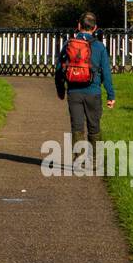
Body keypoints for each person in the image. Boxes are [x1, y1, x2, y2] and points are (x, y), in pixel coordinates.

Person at [55, 12, 115, 167]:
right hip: (93, 92)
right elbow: (106, 73)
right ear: (95, 28)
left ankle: (79, 159)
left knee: (77, 126)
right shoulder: (99, 46)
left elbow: (58, 69)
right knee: (94, 126)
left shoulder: (69, 44)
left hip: (74, 92)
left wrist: (60, 89)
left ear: (78, 26)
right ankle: (95, 160)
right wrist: (110, 95)